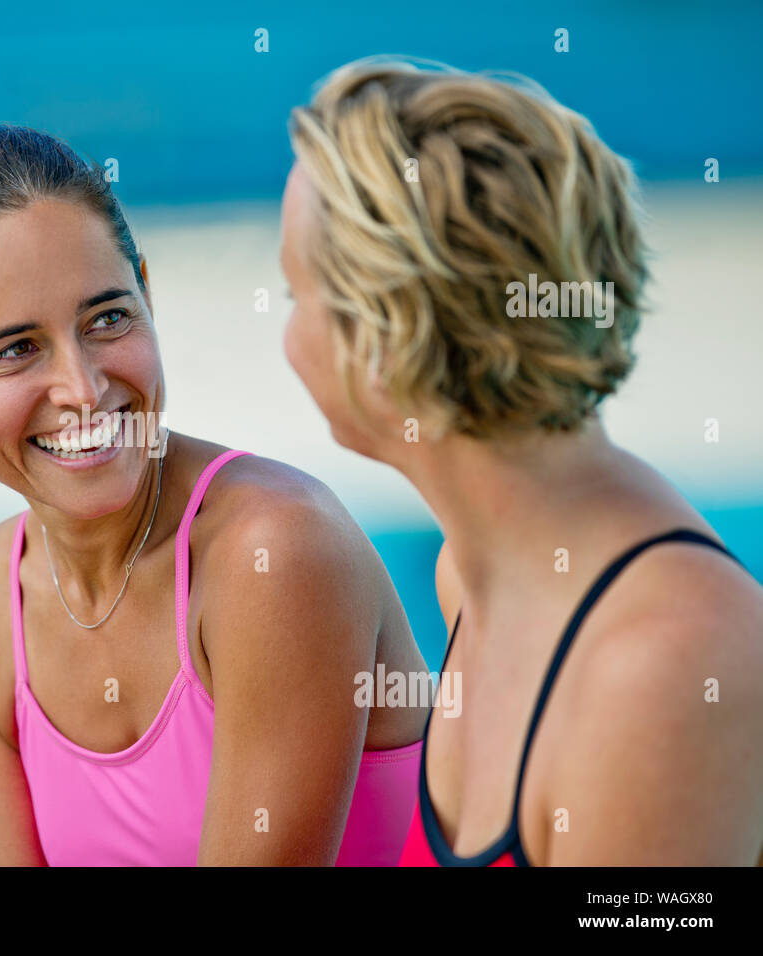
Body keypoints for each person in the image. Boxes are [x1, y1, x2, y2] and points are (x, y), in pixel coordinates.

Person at [0, 122, 429, 865]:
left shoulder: (273, 553)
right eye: (16, 350)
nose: (83, 388)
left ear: (147, 294)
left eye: (107, 318)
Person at [279, 58, 763, 865]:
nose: (287, 338)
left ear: (384, 344)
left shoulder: (661, 671)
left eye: (296, 297)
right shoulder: (468, 575)